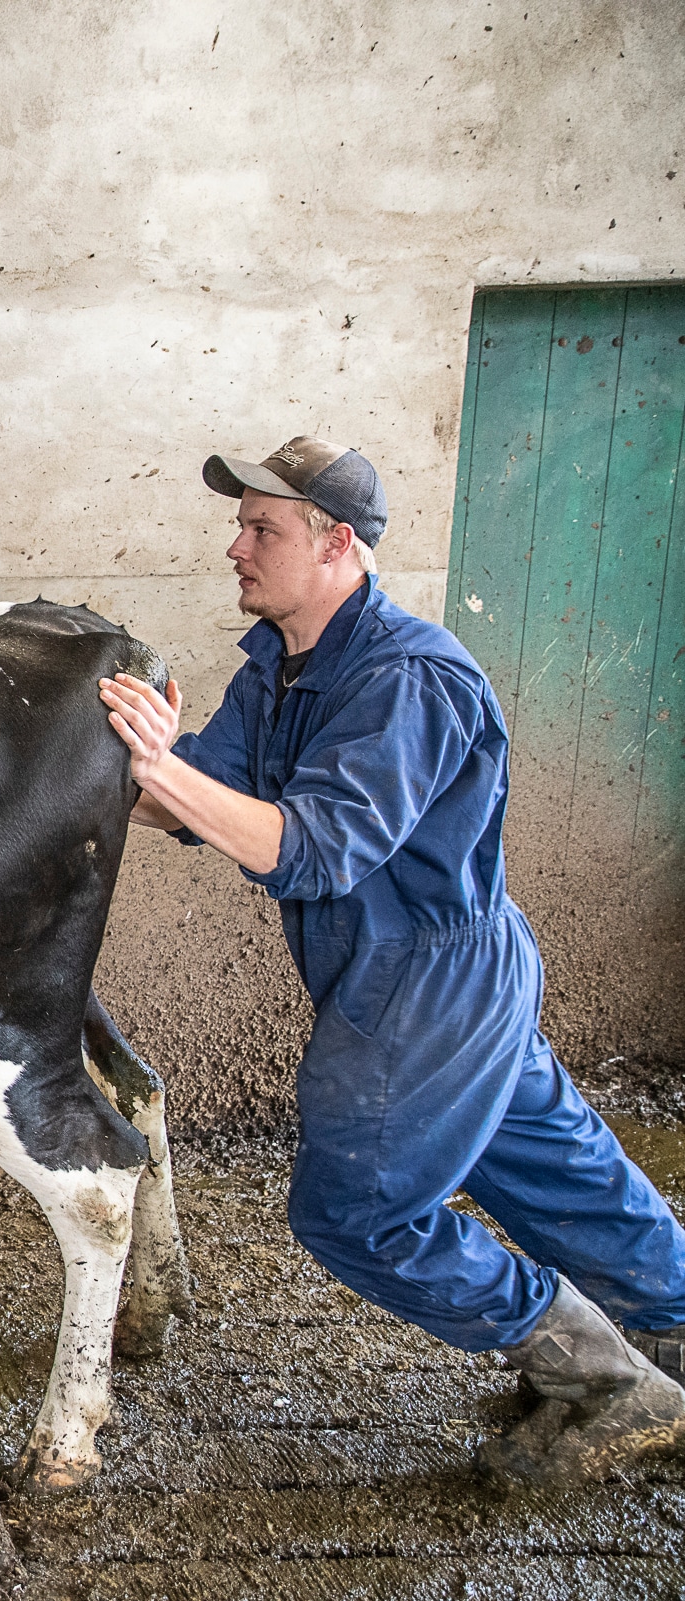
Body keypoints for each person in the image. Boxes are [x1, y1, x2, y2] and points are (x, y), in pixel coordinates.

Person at [98, 436, 685, 1486]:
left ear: (337, 545)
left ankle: (609, 1378)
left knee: (356, 1211)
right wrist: (123, 763)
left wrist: (159, 771)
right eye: (239, 523)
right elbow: (188, 804)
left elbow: (313, 848)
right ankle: (673, 1328)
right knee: (552, 1170)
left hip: (426, 981)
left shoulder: (409, 679)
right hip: (430, 971)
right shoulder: (279, 668)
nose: (235, 544)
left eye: (260, 527)